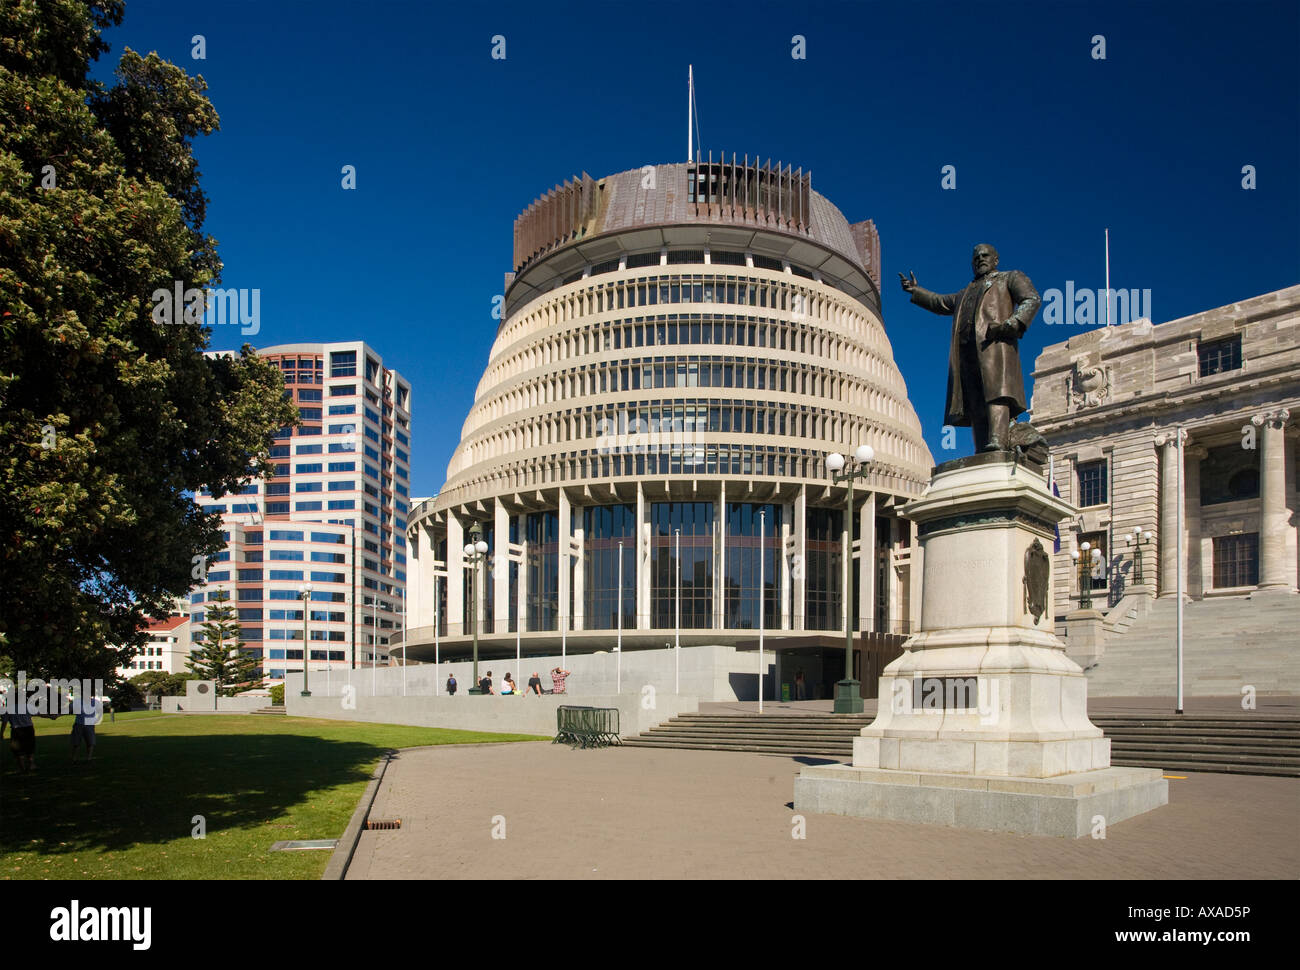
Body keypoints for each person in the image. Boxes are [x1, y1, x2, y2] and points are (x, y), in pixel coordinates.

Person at [899, 244, 1040, 452]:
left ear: (995, 260)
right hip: (967, 352)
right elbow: (940, 303)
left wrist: (1013, 323)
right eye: (976, 257)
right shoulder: (964, 293)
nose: (980, 259)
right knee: (974, 401)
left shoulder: (1009, 278)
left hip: (994, 345)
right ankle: (983, 449)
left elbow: (1031, 299)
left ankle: (998, 442)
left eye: (985, 256)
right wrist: (915, 291)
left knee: (997, 393)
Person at [70, 696, 98, 763]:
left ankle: (89, 758)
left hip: (89, 724)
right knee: (76, 743)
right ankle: (74, 758)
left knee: (90, 742)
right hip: (79, 723)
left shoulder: (94, 701)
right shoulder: (77, 701)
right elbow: (69, 709)